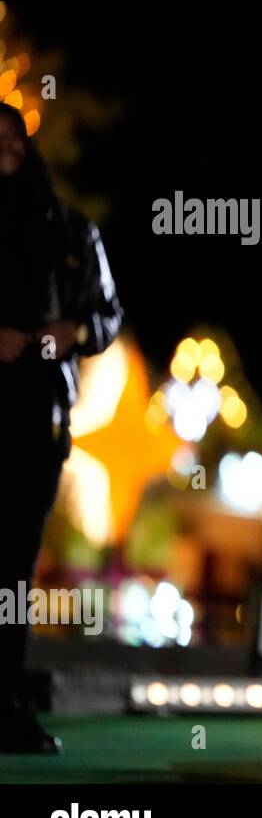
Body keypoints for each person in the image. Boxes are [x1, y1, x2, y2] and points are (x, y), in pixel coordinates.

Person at [0, 102, 123, 754]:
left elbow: (106, 314)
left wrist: (68, 333)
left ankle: (5, 701)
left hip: (34, 419)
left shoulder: (67, 229)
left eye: (11, 135)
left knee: (12, 567)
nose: (3, 146)